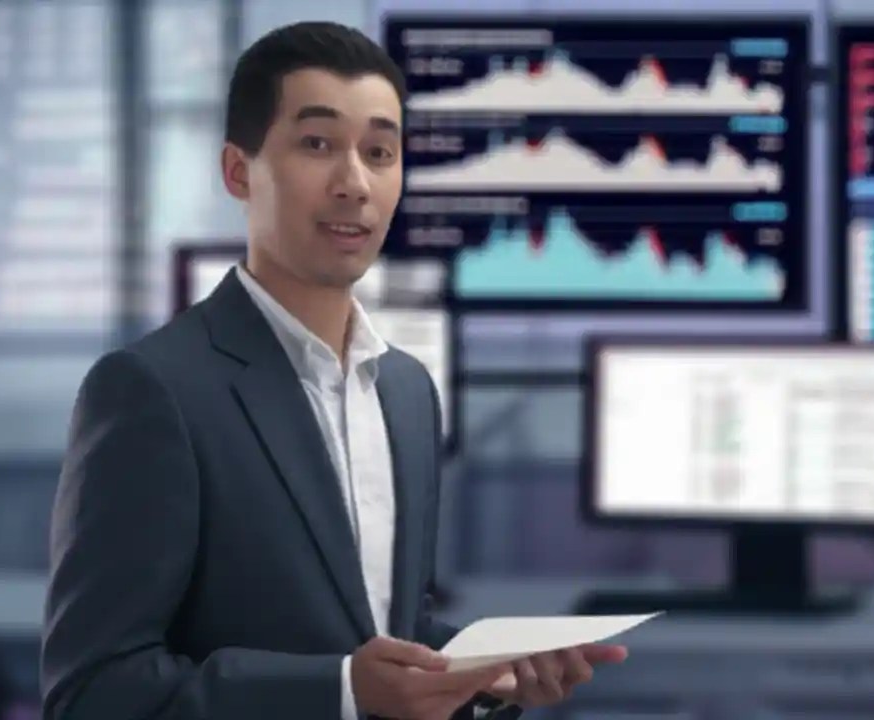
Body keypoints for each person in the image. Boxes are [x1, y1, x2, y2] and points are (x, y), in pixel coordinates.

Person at [40, 21, 627, 720]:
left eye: (380, 151)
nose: (354, 182)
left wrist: (480, 674)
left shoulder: (406, 391)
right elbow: (92, 694)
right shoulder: (152, 390)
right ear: (238, 171)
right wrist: (342, 691)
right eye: (317, 144)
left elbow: (386, 634)